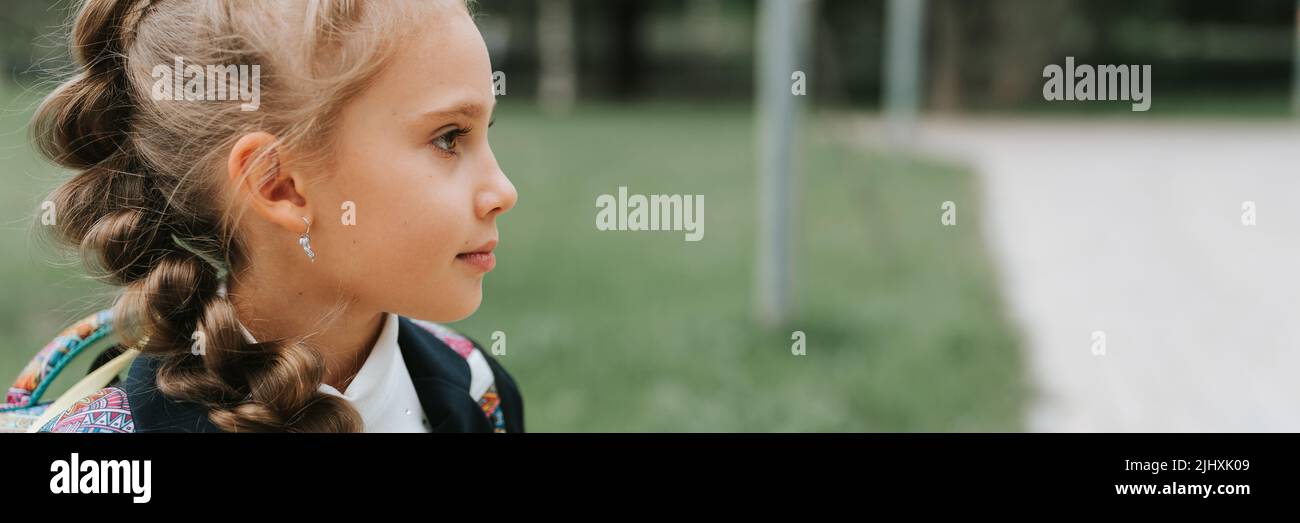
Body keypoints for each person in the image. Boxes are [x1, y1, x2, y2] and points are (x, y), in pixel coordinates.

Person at [30, 0, 522, 432]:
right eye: (449, 137)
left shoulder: (480, 392)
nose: (504, 191)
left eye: (485, 130)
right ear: (279, 186)